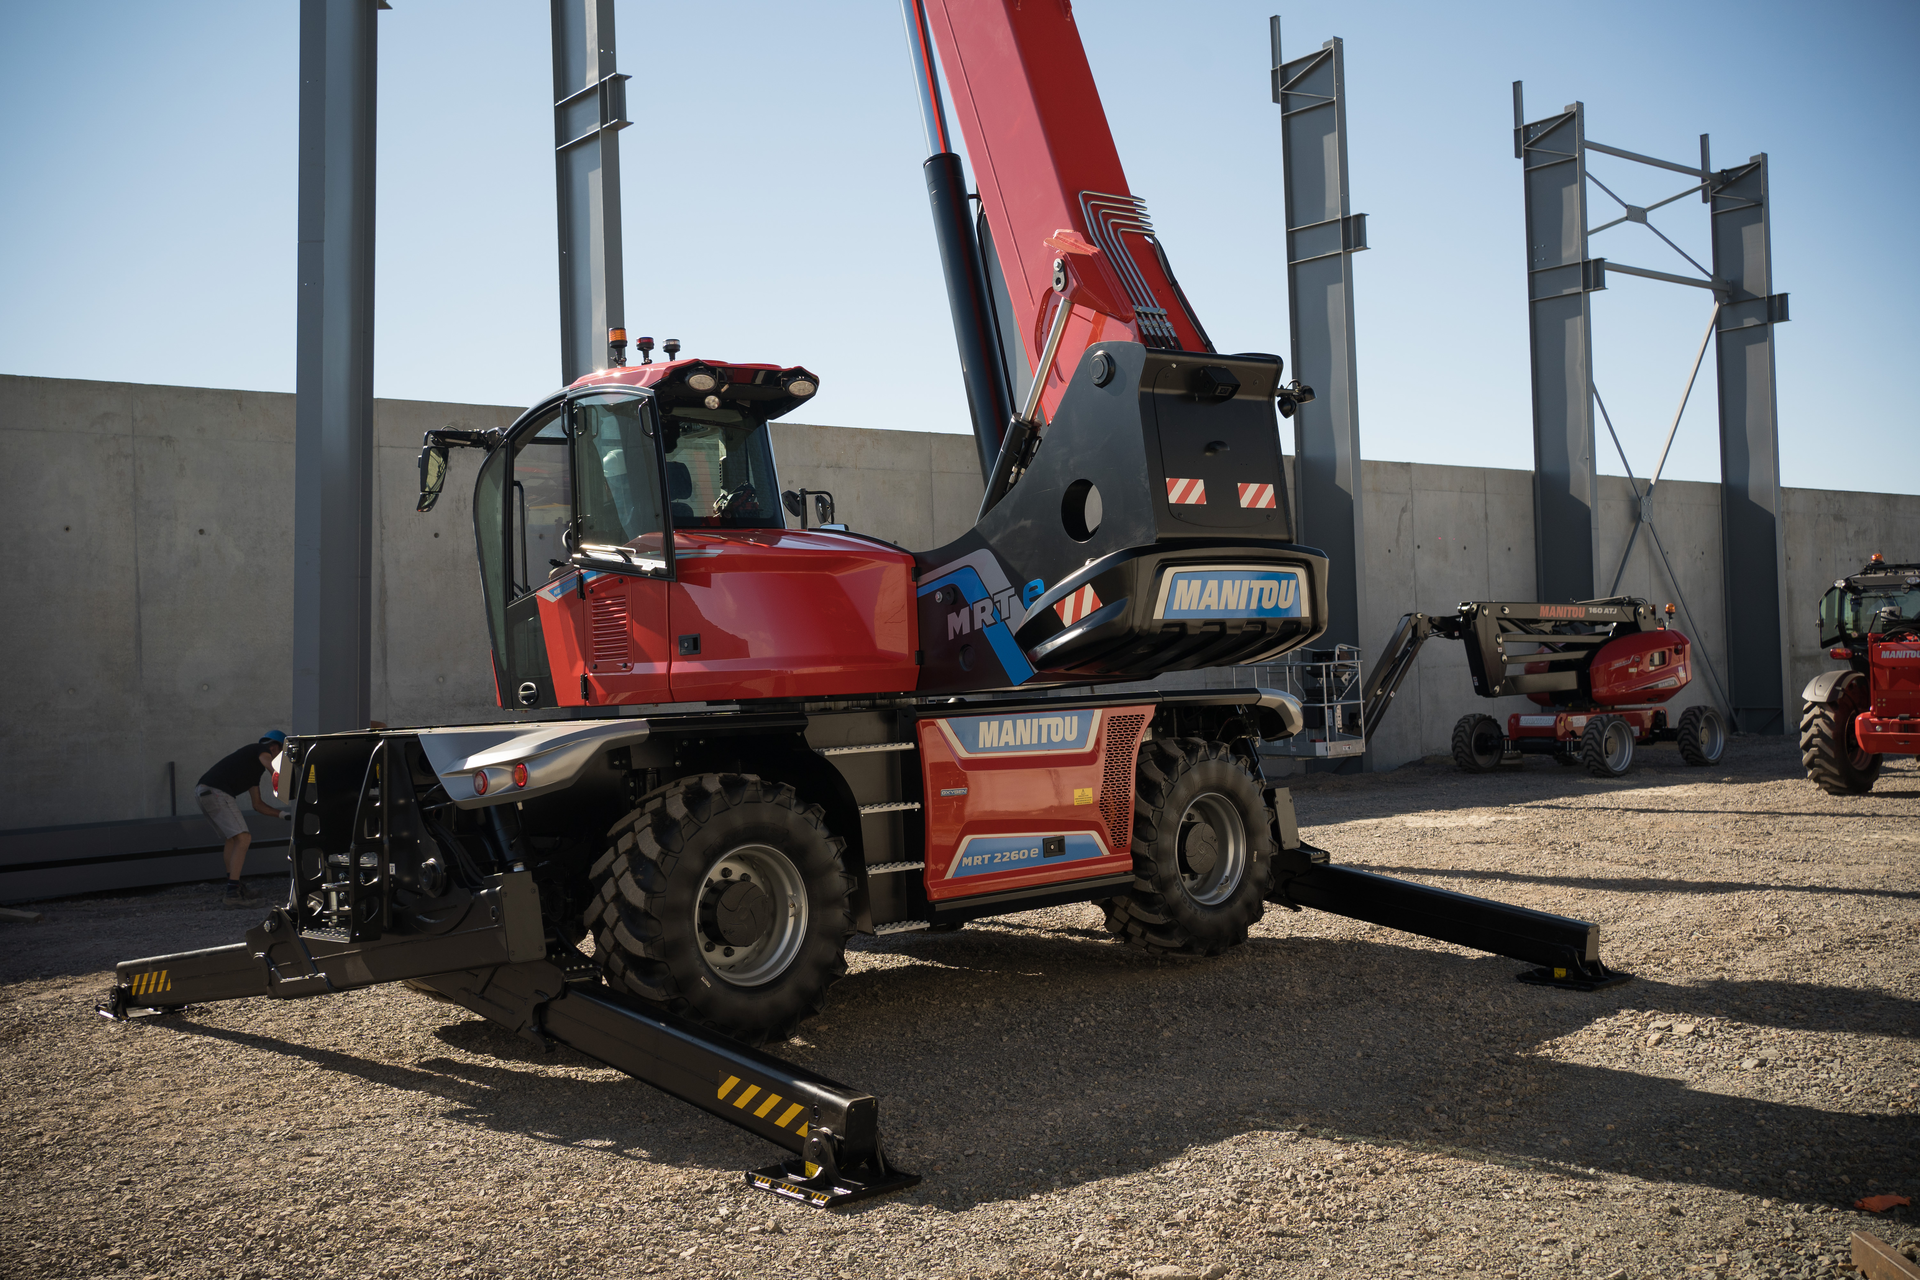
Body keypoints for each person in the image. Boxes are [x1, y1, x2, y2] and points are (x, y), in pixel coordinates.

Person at [195, 731, 289, 905]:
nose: (281, 759)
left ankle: (234, 887)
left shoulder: (252, 770)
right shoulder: (260, 749)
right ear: (275, 747)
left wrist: (284, 815)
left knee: (233, 839)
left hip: (204, 791)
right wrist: (288, 783)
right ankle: (232, 895)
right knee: (244, 837)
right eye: (282, 754)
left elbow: (258, 804)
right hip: (217, 792)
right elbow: (271, 766)